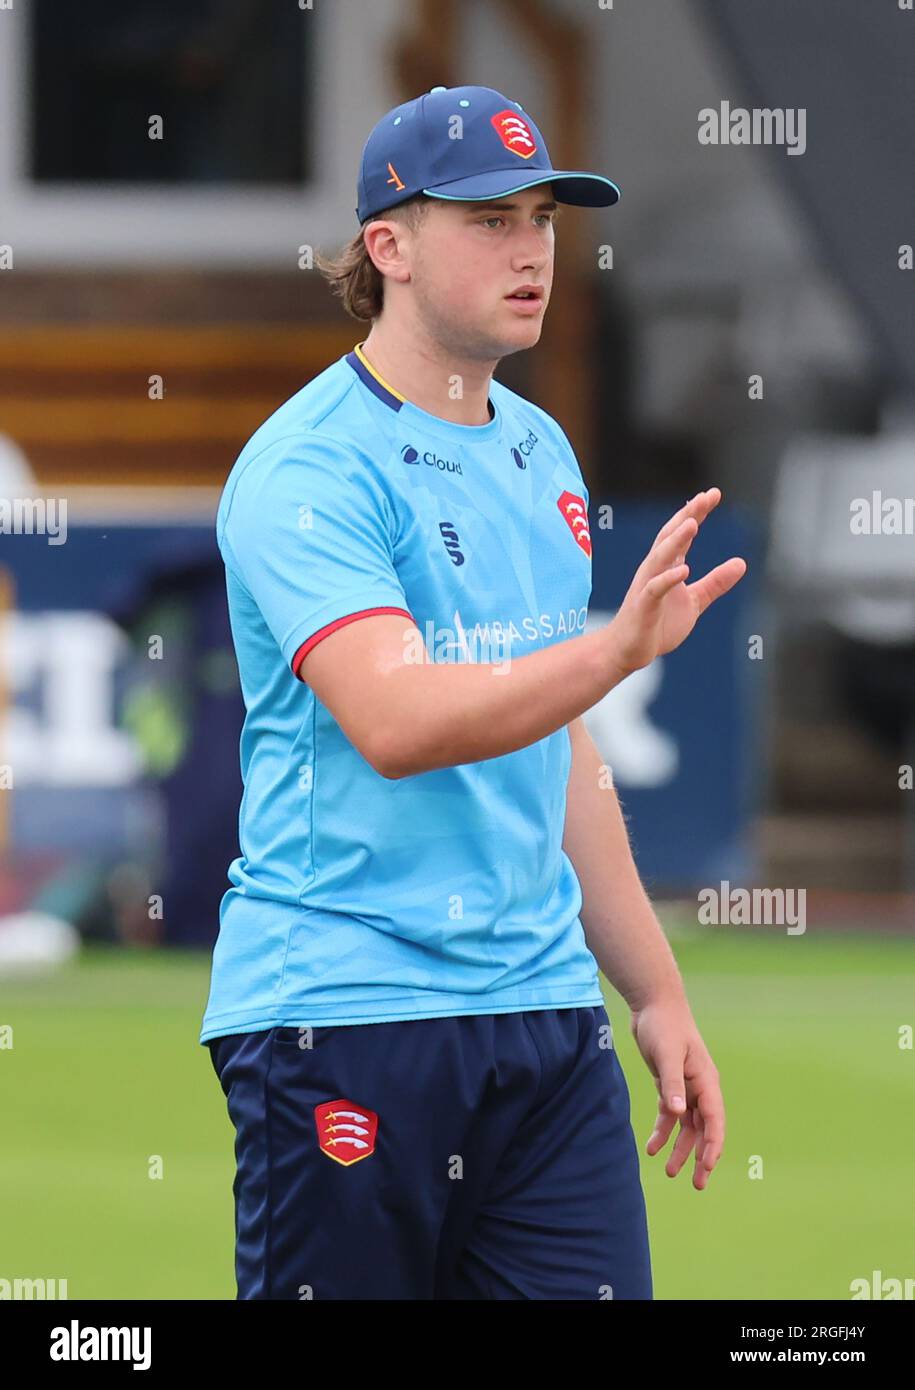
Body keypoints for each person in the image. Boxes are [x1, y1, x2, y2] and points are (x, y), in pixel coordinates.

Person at [200, 84, 746, 1300]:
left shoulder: (539, 448)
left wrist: (654, 993)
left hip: (546, 1019)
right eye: (490, 219)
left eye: (543, 218)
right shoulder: (308, 464)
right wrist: (613, 652)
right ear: (387, 246)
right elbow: (396, 723)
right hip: (344, 1010)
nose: (533, 250)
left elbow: (559, 748)